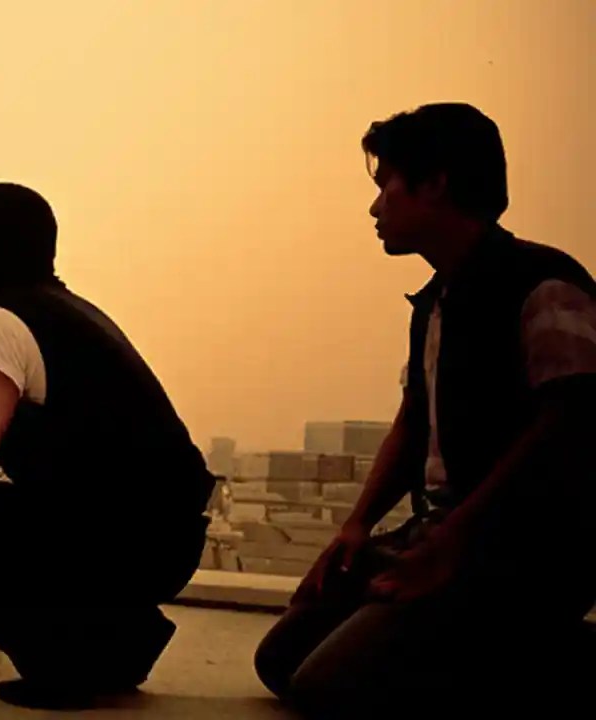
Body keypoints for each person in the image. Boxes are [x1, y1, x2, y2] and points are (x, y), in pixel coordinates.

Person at [253, 102, 596, 718]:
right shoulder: (437, 301)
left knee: (331, 687)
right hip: (441, 535)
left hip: (524, 550)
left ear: (435, 184)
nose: (375, 206)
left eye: (386, 184)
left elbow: (570, 424)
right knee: (279, 660)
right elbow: (413, 421)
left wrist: (456, 540)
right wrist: (356, 528)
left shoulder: (544, 286)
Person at [0, 179, 216, 710]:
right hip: (163, 538)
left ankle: (64, 664)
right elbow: (57, 449)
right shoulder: (73, 312)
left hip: (124, 541)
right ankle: (121, 642)